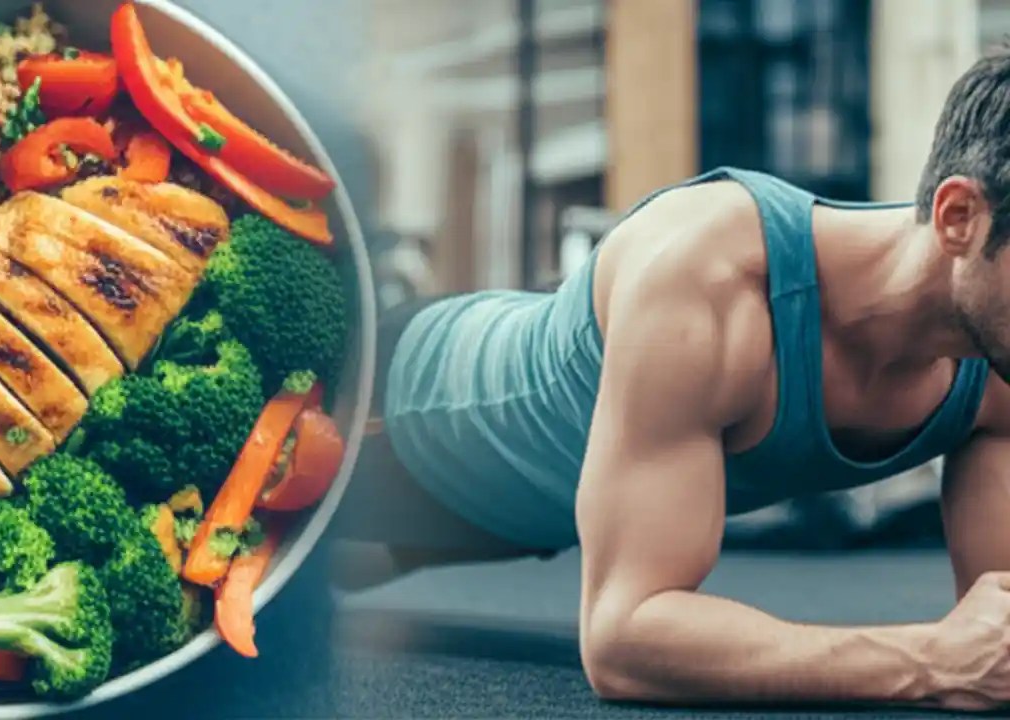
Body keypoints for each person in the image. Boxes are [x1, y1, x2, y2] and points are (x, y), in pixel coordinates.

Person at [344, 52, 1010, 711]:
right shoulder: (710, 276)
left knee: (326, 591)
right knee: (287, 608)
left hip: (521, 522)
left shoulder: (997, 365)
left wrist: (962, 655)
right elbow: (622, 639)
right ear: (958, 218)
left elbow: (994, 642)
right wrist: (927, 658)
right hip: (390, 414)